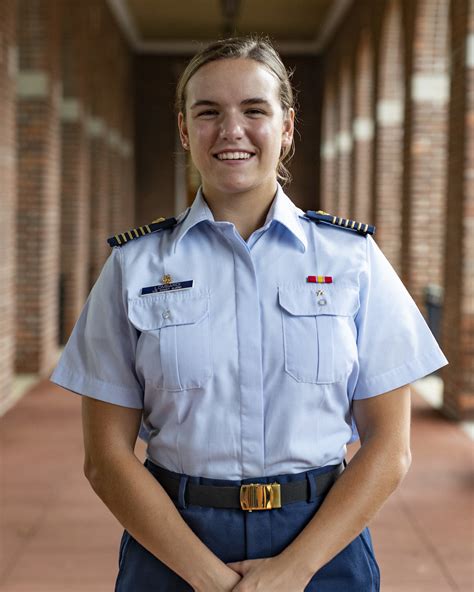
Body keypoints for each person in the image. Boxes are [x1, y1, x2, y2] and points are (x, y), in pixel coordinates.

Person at [50, 36, 448, 592]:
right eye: (208, 112)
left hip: (322, 540)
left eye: (254, 110)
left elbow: (389, 447)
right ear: (186, 131)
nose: (231, 130)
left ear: (286, 127)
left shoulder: (351, 260)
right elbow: (105, 458)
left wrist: (294, 570)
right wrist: (207, 577)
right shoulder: (133, 266)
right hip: (172, 539)